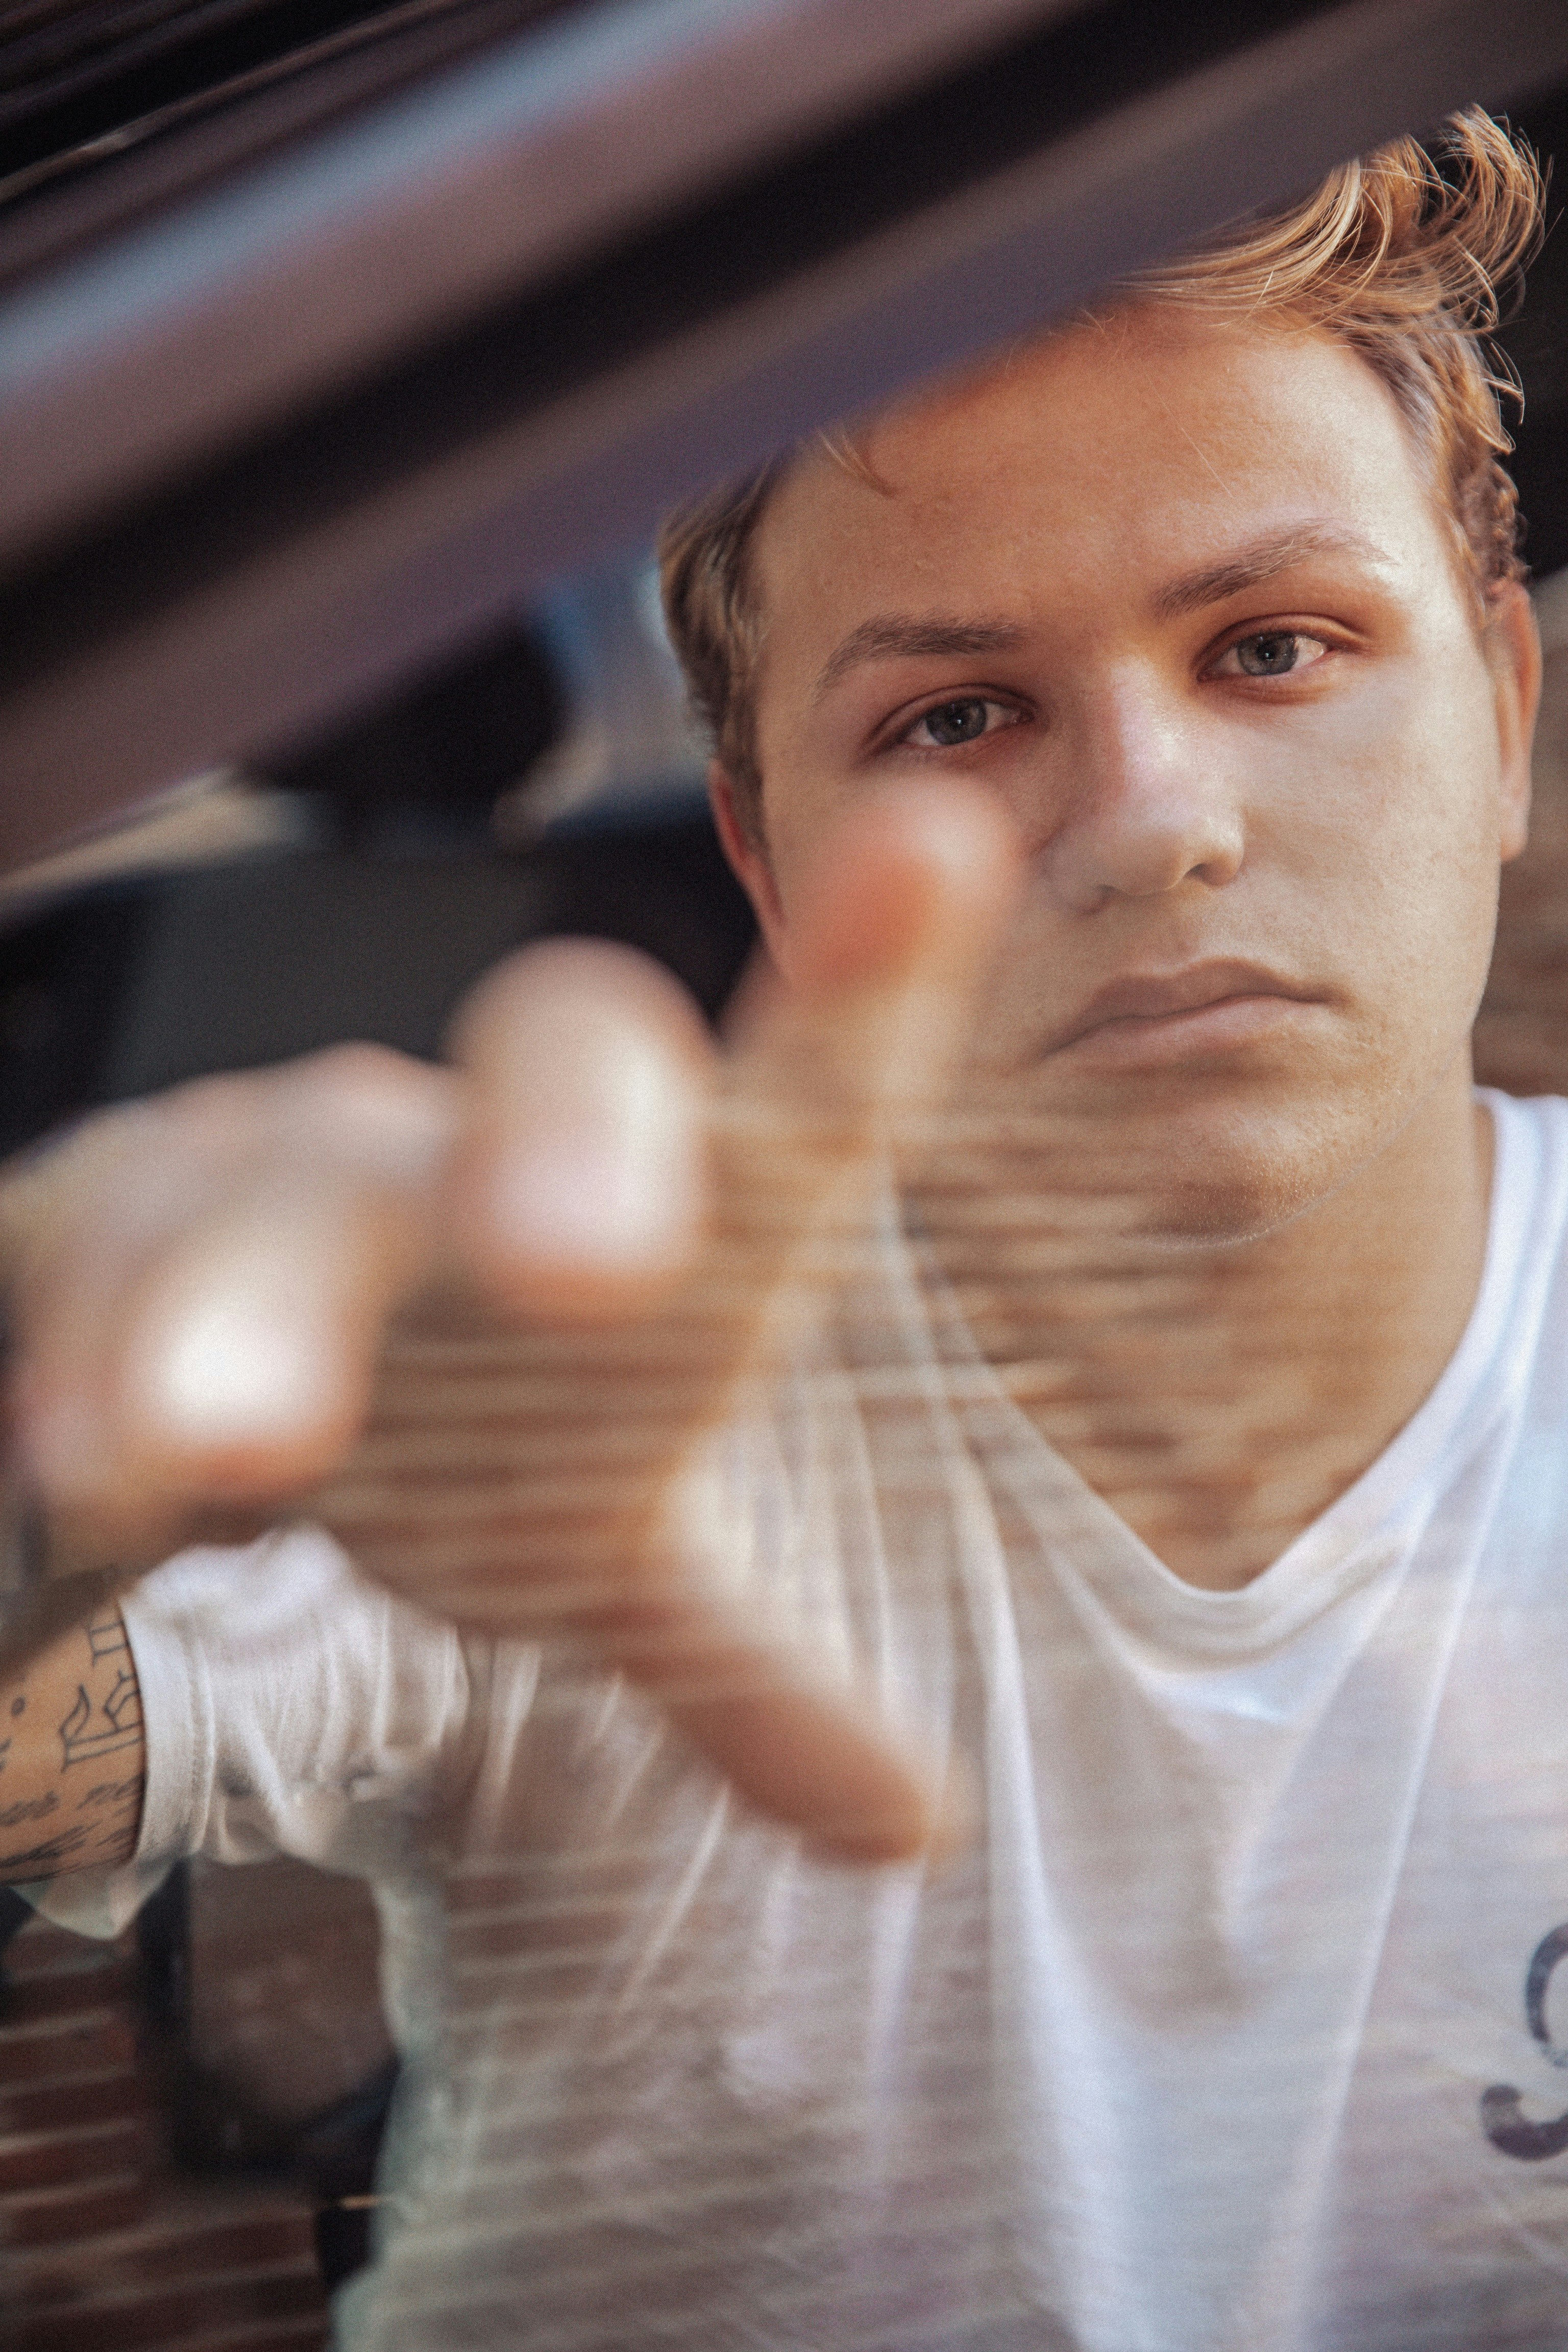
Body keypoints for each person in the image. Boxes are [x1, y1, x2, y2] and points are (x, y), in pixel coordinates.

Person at [0, 107, 1556, 2351]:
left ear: (1504, 707)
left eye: (1278, 647)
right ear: (767, 863)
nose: (1149, 823)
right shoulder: (565, 1383)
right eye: (956, 715)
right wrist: (52, 1441)